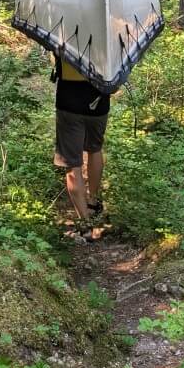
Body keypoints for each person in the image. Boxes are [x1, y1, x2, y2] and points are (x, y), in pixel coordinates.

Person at [51, 53, 109, 239]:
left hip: (69, 100)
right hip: (99, 98)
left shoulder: (63, 30)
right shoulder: (107, 30)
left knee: (72, 163)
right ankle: (93, 201)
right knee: (95, 149)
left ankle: (85, 225)